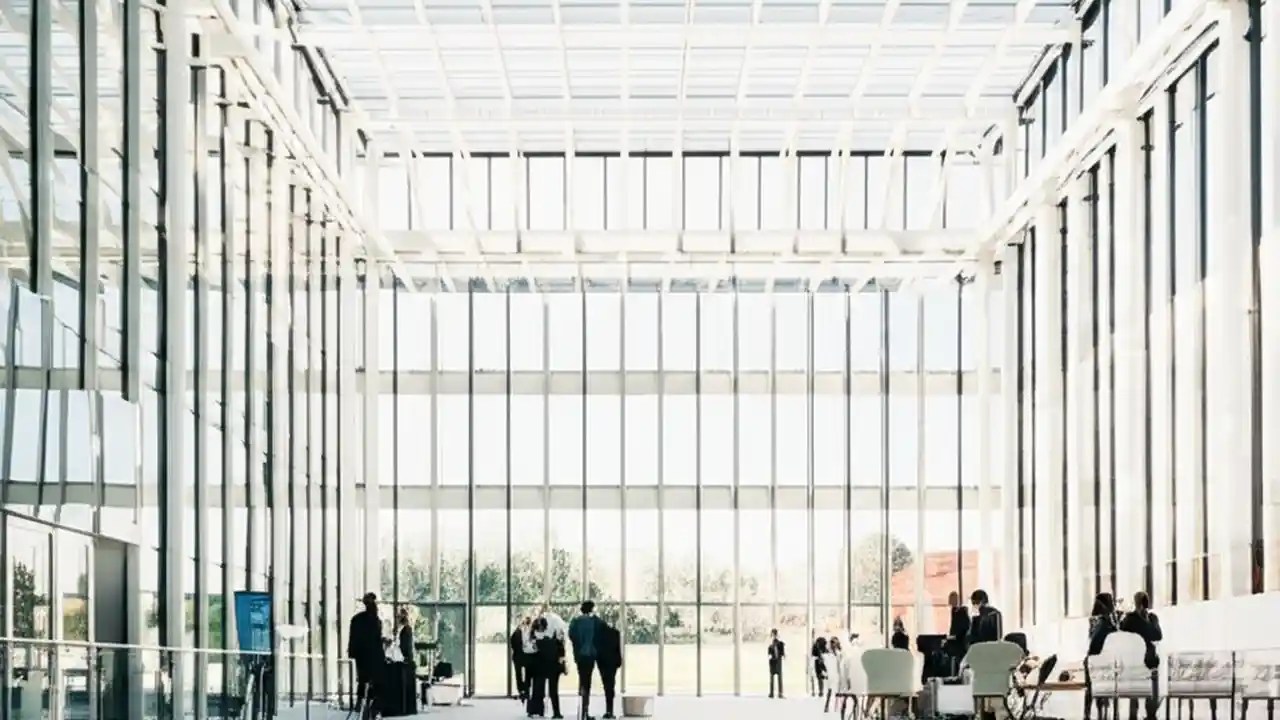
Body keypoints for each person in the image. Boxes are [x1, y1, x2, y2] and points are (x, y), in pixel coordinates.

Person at [1119, 591, 1162, 720]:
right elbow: (1155, 635)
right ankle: (1150, 713)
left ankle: (1144, 712)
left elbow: (1158, 635)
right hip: (1140, 659)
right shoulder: (1134, 619)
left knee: (1148, 678)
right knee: (1150, 677)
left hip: (1142, 659)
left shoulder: (1135, 618)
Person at [347, 593, 384, 714]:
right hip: (372, 655)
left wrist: (352, 652)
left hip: (361, 655)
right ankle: (370, 704)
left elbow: (353, 638)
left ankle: (360, 703)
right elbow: (377, 639)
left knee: (362, 679)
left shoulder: (357, 619)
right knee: (373, 680)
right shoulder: (375, 620)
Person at [568, 600, 604, 720]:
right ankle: (585, 710)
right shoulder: (594, 622)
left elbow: (571, 636)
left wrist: (578, 647)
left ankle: (582, 703)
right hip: (590, 655)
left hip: (580, 655)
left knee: (583, 678)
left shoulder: (576, 621)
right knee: (587, 681)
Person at [1084, 592, 1118, 720]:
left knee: (1092, 688)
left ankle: (1088, 714)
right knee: (1097, 688)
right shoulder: (1105, 622)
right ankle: (1097, 713)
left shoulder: (1099, 621)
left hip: (1095, 658)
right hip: (1101, 659)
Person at [528, 616, 566, 719]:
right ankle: (556, 712)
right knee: (553, 691)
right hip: (553, 667)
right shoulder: (554, 639)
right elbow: (561, 653)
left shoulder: (534, 639)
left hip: (540, 667)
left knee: (538, 689)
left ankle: (536, 710)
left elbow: (530, 652)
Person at [596, 618, 623, 719]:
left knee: (606, 685)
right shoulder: (615, 633)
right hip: (612, 663)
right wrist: (619, 661)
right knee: (611, 685)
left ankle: (608, 710)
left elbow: (598, 650)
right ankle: (610, 710)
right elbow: (618, 649)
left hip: (603, 663)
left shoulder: (599, 635)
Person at [944, 591, 971, 674]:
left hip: (960, 642)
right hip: (956, 640)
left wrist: (954, 636)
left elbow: (963, 628)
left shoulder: (961, 612)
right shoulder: (954, 611)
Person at [511, 617, 533, 702]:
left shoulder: (517, 632)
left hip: (519, 656)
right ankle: (525, 690)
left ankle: (522, 690)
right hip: (524, 656)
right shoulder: (527, 632)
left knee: (520, 675)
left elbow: (512, 643)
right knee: (526, 674)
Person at [822, 637, 841, 713]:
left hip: (835, 674)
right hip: (831, 674)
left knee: (835, 691)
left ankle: (835, 707)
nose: (834, 645)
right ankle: (827, 706)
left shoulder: (838, 653)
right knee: (830, 691)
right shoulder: (827, 654)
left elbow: (839, 664)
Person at [767, 629, 786, 698]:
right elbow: (769, 653)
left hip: (778, 662)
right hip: (772, 662)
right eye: (773, 635)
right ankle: (772, 693)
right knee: (772, 678)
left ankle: (780, 693)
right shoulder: (770, 645)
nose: (774, 636)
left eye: (774, 634)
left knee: (779, 677)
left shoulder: (780, 643)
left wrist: (783, 655)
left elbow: (782, 653)